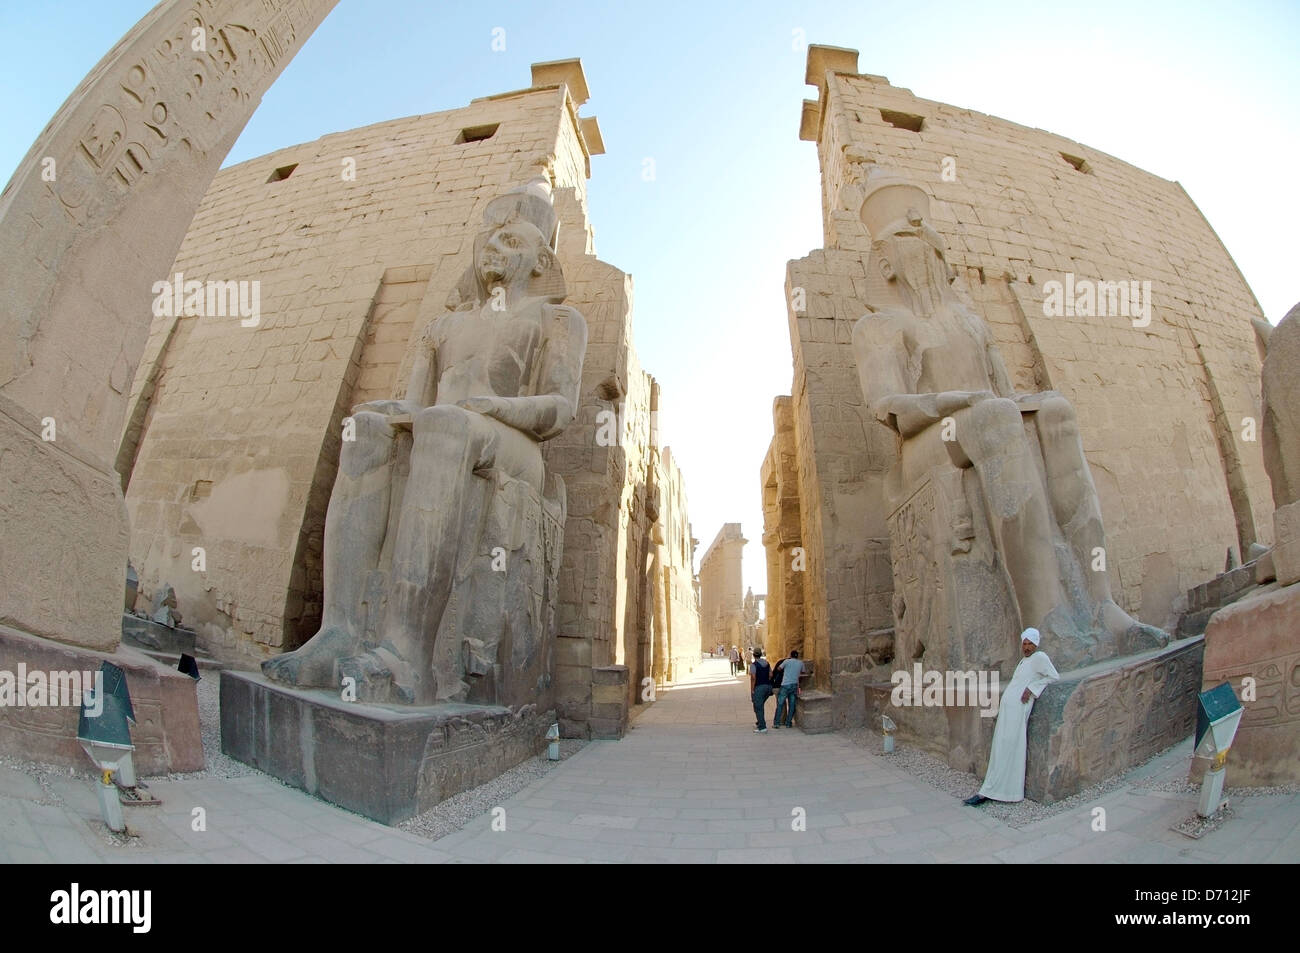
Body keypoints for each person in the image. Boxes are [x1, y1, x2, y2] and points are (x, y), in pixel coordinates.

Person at [964, 628, 1060, 805]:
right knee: (1000, 747)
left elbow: (1053, 676)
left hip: (1018, 710)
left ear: (1036, 644)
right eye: (1024, 643)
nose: (1027, 647)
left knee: (1010, 748)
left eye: (1030, 643)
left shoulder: (1040, 658)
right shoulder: (1025, 661)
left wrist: (1032, 689)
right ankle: (990, 789)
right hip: (1008, 710)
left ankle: (1006, 792)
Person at [772, 649, 804, 728]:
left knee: (780, 704)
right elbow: (802, 672)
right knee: (792, 704)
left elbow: (779, 668)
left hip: (785, 684)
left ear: (790, 655)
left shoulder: (786, 661)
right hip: (794, 685)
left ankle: (777, 723)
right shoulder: (800, 663)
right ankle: (788, 723)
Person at [749, 647, 774, 733]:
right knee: (759, 705)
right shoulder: (767, 663)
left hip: (759, 687)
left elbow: (753, 678)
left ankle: (762, 727)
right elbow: (771, 674)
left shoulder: (753, 665)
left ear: (753, 655)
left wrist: (752, 690)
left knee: (758, 707)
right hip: (768, 687)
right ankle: (760, 721)